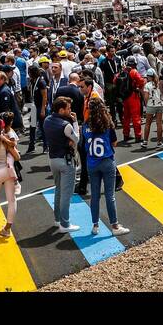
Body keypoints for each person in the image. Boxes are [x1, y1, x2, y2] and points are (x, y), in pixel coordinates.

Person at [81, 101, 129, 236]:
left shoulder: (85, 126)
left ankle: (95, 225)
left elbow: (83, 144)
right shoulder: (107, 124)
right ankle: (114, 225)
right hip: (107, 161)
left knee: (94, 196)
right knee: (110, 195)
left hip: (92, 163)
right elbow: (114, 142)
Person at [42, 97, 80, 234]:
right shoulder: (66, 125)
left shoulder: (47, 120)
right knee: (66, 194)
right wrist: (75, 122)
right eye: (68, 109)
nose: (70, 111)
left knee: (58, 190)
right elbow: (77, 139)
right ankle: (65, 224)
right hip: (66, 161)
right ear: (61, 109)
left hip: (52, 160)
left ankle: (57, 219)